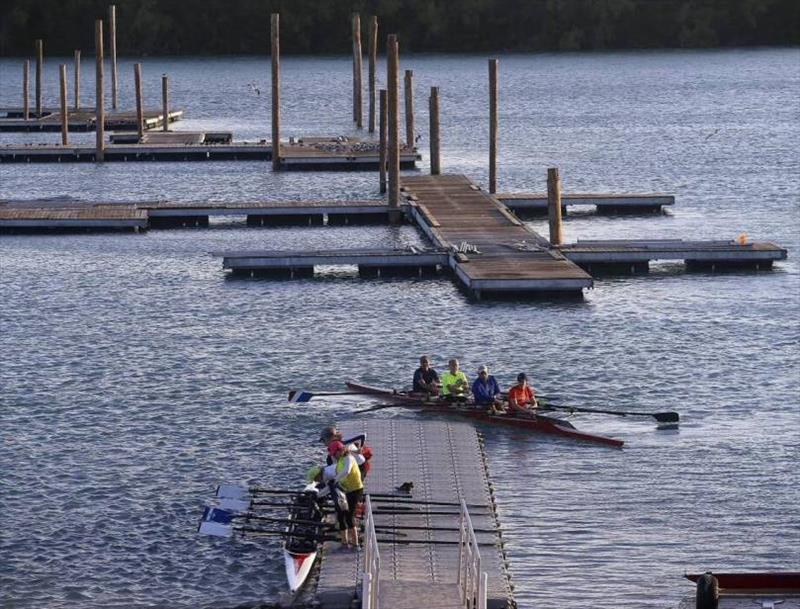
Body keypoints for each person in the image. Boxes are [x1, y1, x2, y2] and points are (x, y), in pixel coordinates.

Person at [327, 440, 364, 548]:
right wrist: (319, 494)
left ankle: (355, 544)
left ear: (340, 450)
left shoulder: (349, 458)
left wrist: (335, 479)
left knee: (349, 516)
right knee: (340, 515)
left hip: (355, 490)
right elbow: (334, 481)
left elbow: (346, 471)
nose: (334, 456)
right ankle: (344, 543)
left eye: (334, 454)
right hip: (345, 490)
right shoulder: (339, 461)